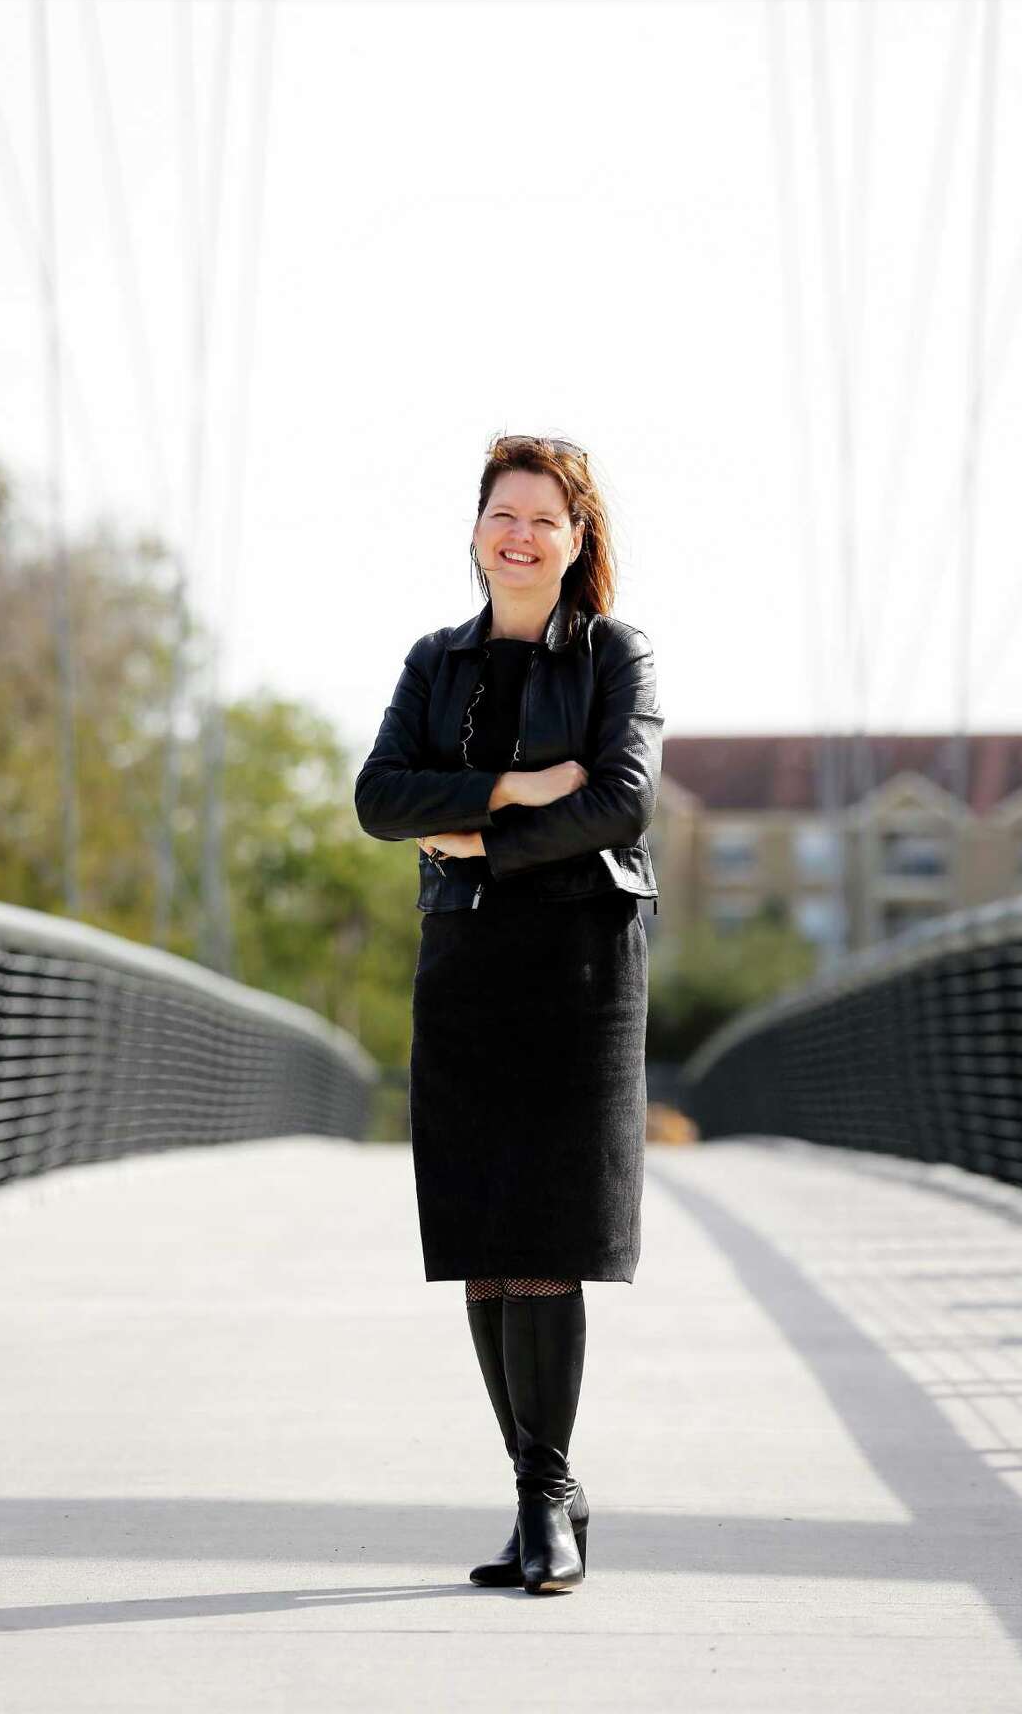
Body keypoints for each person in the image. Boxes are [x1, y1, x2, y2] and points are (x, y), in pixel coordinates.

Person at [354, 432, 663, 1594]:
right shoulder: (435, 662)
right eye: (504, 514)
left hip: (579, 960)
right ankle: (543, 1493)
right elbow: (380, 797)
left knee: (544, 1237)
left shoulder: (616, 654)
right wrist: (515, 786)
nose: (520, 535)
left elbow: (623, 802)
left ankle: (546, 1499)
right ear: (477, 531)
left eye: (543, 518)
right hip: (467, 958)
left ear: (577, 541)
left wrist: (478, 837)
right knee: (487, 1245)